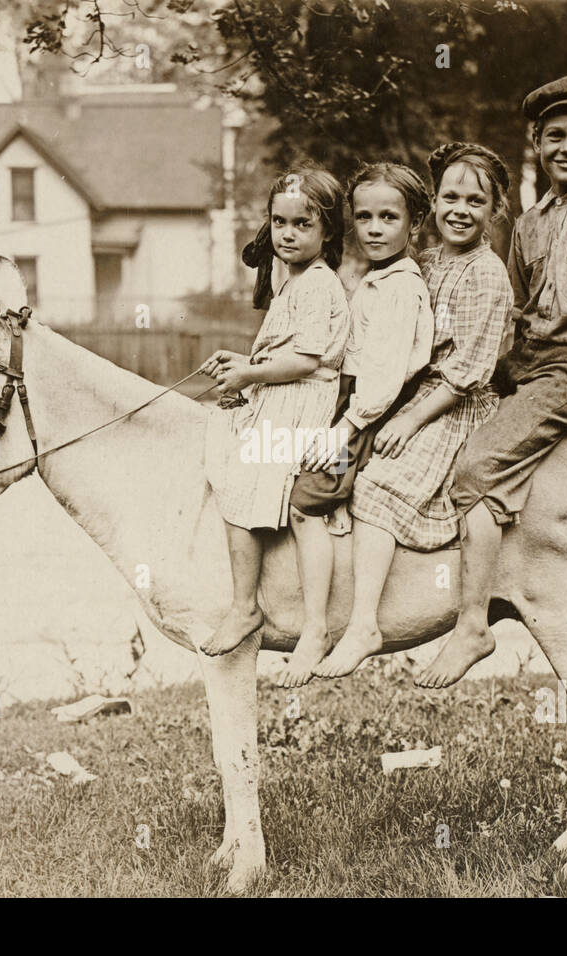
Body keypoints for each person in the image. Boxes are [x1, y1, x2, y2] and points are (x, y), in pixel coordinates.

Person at [415, 71, 567, 689]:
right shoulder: (528, 223)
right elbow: (516, 314)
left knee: (474, 468)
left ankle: (472, 624)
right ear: (538, 145)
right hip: (526, 362)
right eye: (554, 137)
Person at [310, 143, 513, 680]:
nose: (460, 210)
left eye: (476, 200)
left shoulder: (486, 273)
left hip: (454, 404)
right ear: (435, 204)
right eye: (451, 197)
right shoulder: (427, 261)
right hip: (413, 391)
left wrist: (407, 419)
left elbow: (467, 368)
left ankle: (363, 624)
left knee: (380, 481)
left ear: (495, 211)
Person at [279, 163, 435, 687]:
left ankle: (316, 627)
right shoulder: (375, 277)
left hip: (373, 408)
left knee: (303, 500)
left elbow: (386, 375)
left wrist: (346, 427)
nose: (373, 228)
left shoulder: (399, 288)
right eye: (364, 216)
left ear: (414, 224)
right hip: (352, 397)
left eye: (389, 217)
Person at [200, 166, 351, 656]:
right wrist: (243, 362)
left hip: (303, 405)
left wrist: (249, 375)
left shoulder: (318, 284)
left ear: (327, 231)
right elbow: (286, 350)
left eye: (303, 224)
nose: (288, 234)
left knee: (241, 479)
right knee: (218, 442)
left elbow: (307, 359)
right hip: (287, 394)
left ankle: (247, 606)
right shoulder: (294, 280)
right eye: (280, 222)